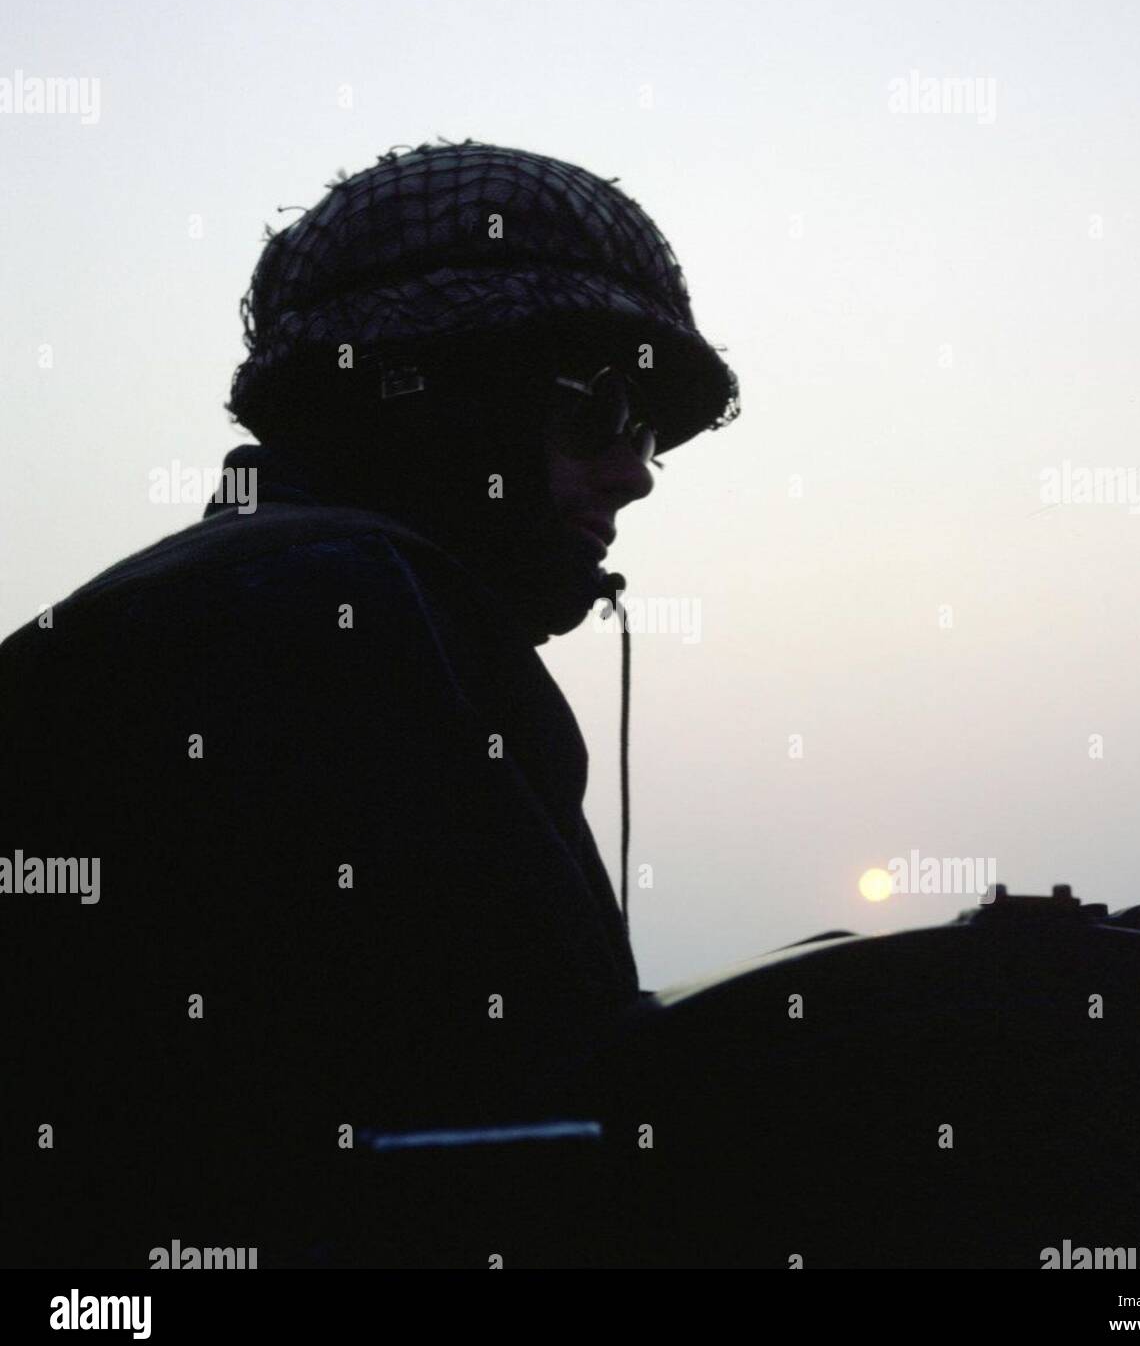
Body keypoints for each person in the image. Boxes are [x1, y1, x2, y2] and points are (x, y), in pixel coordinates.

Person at [0, 139, 739, 1266]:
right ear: (437, 395)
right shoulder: (336, 612)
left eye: (647, 435)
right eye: (601, 410)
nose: (634, 471)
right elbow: (507, 1129)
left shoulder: (221, 599)